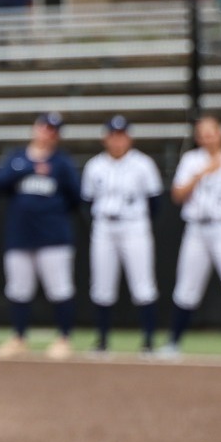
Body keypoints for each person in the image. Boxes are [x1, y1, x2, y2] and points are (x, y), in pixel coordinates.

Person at [0, 113, 81, 359]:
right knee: (19, 289)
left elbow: (75, 196)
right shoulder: (17, 158)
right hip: (20, 234)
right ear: (36, 129)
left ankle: (64, 338)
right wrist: (30, 168)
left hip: (53, 236)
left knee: (59, 289)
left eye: (53, 130)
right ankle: (19, 337)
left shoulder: (62, 162)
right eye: (45, 128)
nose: (48, 133)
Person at [81, 115, 162, 355]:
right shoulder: (94, 165)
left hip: (134, 225)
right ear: (105, 138)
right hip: (104, 226)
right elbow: (86, 201)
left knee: (143, 284)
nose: (117, 140)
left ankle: (148, 342)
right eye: (113, 135)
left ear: (129, 137)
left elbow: (155, 202)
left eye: (122, 135)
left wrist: (138, 221)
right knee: (102, 285)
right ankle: (102, 341)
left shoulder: (143, 164)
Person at [168, 114, 221, 358]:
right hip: (196, 228)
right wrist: (202, 173)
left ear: (219, 133)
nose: (206, 138)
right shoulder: (192, 160)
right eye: (201, 133)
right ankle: (173, 343)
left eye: (210, 132)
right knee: (186, 287)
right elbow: (177, 195)